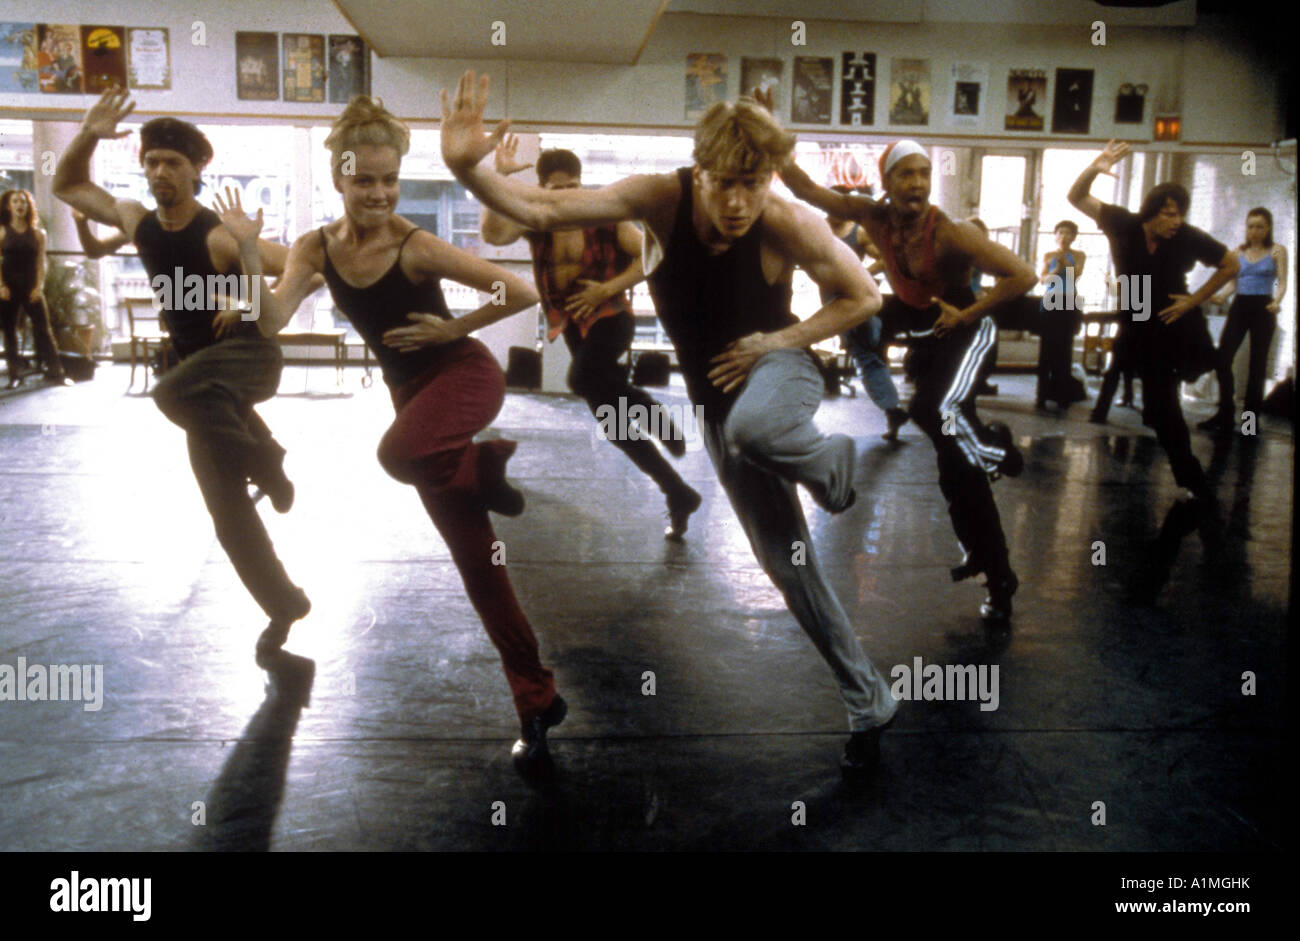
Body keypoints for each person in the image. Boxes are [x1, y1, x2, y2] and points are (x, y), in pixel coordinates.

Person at [440, 71, 899, 775]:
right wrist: (465, 166)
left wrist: (777, 342)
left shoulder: (782, 219)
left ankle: (830, 462)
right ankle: (870, 699)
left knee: (754, 428)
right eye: (725, 184)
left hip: (782, 374)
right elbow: (533, 212)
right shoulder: (659, 197)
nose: (740, 201)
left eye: (755, 182)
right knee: (788, 567)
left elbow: (864, 296)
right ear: (698, 171)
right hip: (722, 411)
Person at [215, 96, 565, 769]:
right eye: (364, 180)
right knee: (480, 566)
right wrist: (245, 249)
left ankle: (487, 461)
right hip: (417, 405)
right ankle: (538, 698)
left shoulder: (415, 245)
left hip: (462, 379)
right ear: (339, 179)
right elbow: (271, 320)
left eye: (389, 179)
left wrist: (452, 328)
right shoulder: (317, 247)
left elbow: (519, 294)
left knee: (396, 451)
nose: (378, 193)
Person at [53, 88, 310, 656]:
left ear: (197, 170)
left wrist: (246, 297)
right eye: (151, 161)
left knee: (166, 390)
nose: (159, 170)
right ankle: (283, 602)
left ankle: (264, 458)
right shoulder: (138, 223)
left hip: (249, 360)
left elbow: (305, 266)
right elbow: (66, 186)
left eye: (172, 161)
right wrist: (90, 133)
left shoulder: (218, 234)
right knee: (226, 513)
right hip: (205, 388)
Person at [776, 138, 1035, 624]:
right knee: (956, 471)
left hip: (968, 333)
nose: (916, 183)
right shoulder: (873, 217)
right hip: (930, 336)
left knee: (935, 411)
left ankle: (1001, 449)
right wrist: (776, 145)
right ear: (888, 181)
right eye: (906, 174)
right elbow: (807, 188)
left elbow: (1022, 275)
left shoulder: (951, 233)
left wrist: (969, 313)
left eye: (923, 174)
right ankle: (995, 571)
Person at [480, 139, 702, 537]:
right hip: (572, 324)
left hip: (610, 317)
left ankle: (657, 416)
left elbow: (652, 255)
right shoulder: (537, 219)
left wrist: (605, 289)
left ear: (582, 184)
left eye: (573, 187)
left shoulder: (606, 216)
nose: (568, 196)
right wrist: (499, 178)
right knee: (613, 422)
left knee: (582, 380)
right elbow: (495, 235)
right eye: (557, 190)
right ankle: (677, 492)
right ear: (544, 190)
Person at [1068, 140, 1238, 503]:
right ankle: (1153, 417)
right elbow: (1076, 197)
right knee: (1142, 387)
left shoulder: (1187, 237)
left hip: (1172, 315)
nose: (1176, 221)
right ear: (1150, 212)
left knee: (1164, 402)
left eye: (1181, 214)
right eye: (1169, 213)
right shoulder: (1123, 224)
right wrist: (1097, 167)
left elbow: (1231, 264)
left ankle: (1193, 478)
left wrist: (1195, 298)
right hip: (1136, 305)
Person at [823, 185, 909, 441]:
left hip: (855, 299)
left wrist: (860, 275)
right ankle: (892, 409)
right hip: (832, 301)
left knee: (866, 356)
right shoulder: (818, 228)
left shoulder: (856, 232)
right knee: (866, 355)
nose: (834, 211)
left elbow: (885, 258)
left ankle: (892, 408)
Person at [1199, 207, 1289, 433]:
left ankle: (1250, 423)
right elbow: (1234, 283)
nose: (1254, 231)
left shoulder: (1277, 251)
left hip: (1264, 307)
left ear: (1268, 228)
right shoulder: (1238, 252)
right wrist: (1222, 296)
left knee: (1256, 366)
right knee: (1223, 358)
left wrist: (1277, 300)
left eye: (1260, 226)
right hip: (1241, 306)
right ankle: (1225, 413)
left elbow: (1282, 281)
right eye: (1250, 226)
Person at [0, 189, 71, 387]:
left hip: (31, 287)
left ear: (28, 206)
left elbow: (41, 263)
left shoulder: (39, 234)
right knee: (9, 331)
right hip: (8, 288)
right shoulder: (2, 232)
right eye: (15, 202)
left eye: (23, 202)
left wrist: (38, 287)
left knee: (44, 329)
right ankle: (14, 376)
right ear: (9, 206)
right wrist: (1, 285)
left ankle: (57, 372)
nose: (19, 205)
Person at [1036, 220, 1087, 409]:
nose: (1064, 237)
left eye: (1068, 233)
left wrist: (1065, 263)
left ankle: (1062, 395)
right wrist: (1055, 270)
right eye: (1060, 233)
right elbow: (1042, 279)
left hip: (1070, 301)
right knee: (1046, 349)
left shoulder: (1079, 255)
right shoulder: (1049, 255)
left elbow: (1077, 275)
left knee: (1065, 349)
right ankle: (1041, 396)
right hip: (1050, 301)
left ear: (1074, 237)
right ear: (1055, 235)